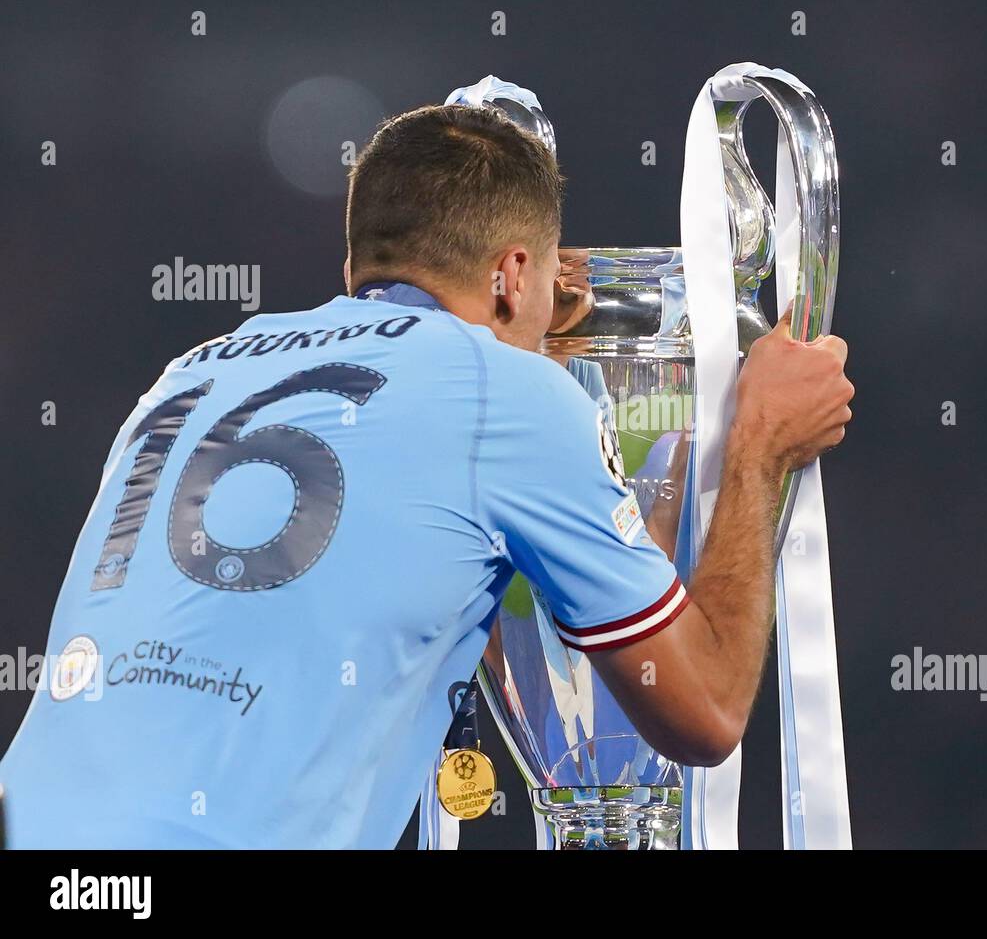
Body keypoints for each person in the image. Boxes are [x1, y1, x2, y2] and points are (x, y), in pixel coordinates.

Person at [0, 104, 852, 848]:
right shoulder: (511, 392)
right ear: (515, 275)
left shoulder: (189, 374)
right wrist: (759, 447)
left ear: (354, 272)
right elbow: (703, 712)